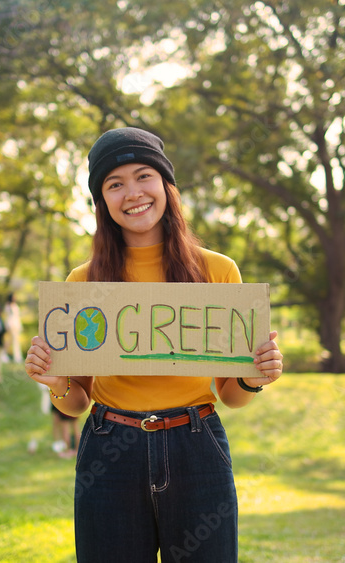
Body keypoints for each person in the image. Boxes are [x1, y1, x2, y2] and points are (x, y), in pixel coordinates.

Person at [25, 127, 283, 562]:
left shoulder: (218, 271)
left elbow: (231, 396)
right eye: (114, 183)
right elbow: (76, 403)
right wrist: (56, 383)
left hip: (197, 448)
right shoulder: (82, 283)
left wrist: (255, 377)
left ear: (166, 185)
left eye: (144, 175)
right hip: (108, 452)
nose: (133, 193)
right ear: (102, 201)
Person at [4, 293, 24, 363]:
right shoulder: (8, 306)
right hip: (11, 325)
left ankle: (17, 357)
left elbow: (17, 317)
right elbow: (8, 317)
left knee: (14, 341)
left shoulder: (15, 306)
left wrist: (20, 326)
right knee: (11, 341)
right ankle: (14, 357)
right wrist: (7, 325)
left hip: (16, 325)